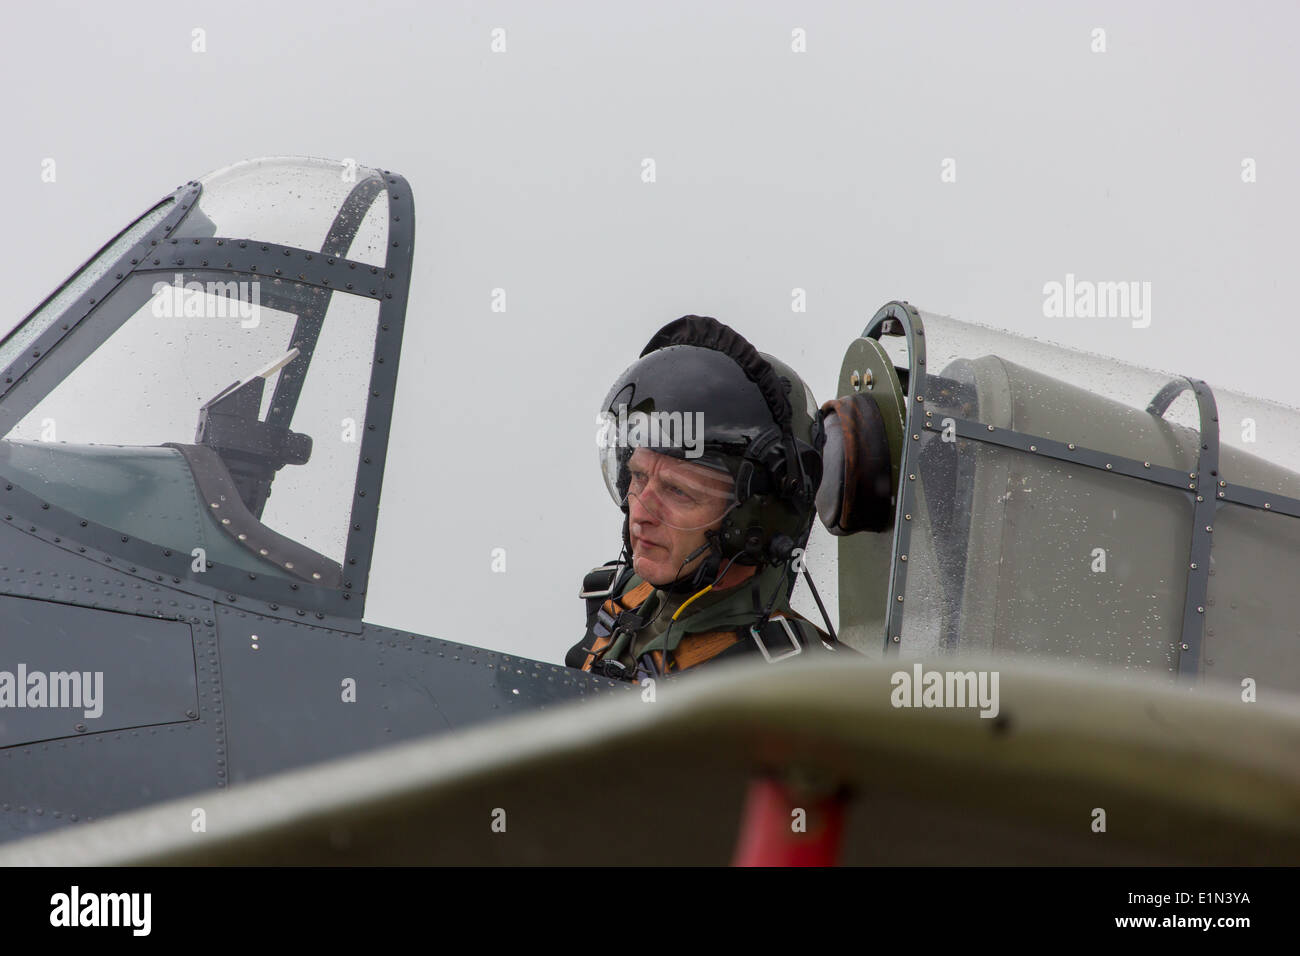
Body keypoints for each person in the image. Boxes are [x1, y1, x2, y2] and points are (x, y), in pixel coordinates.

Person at [566, 315, 840, 681]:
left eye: (678, 491)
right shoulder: (618, 598)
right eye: (637, 476)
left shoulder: (789, 686)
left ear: (755, 518)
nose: (640, 514)